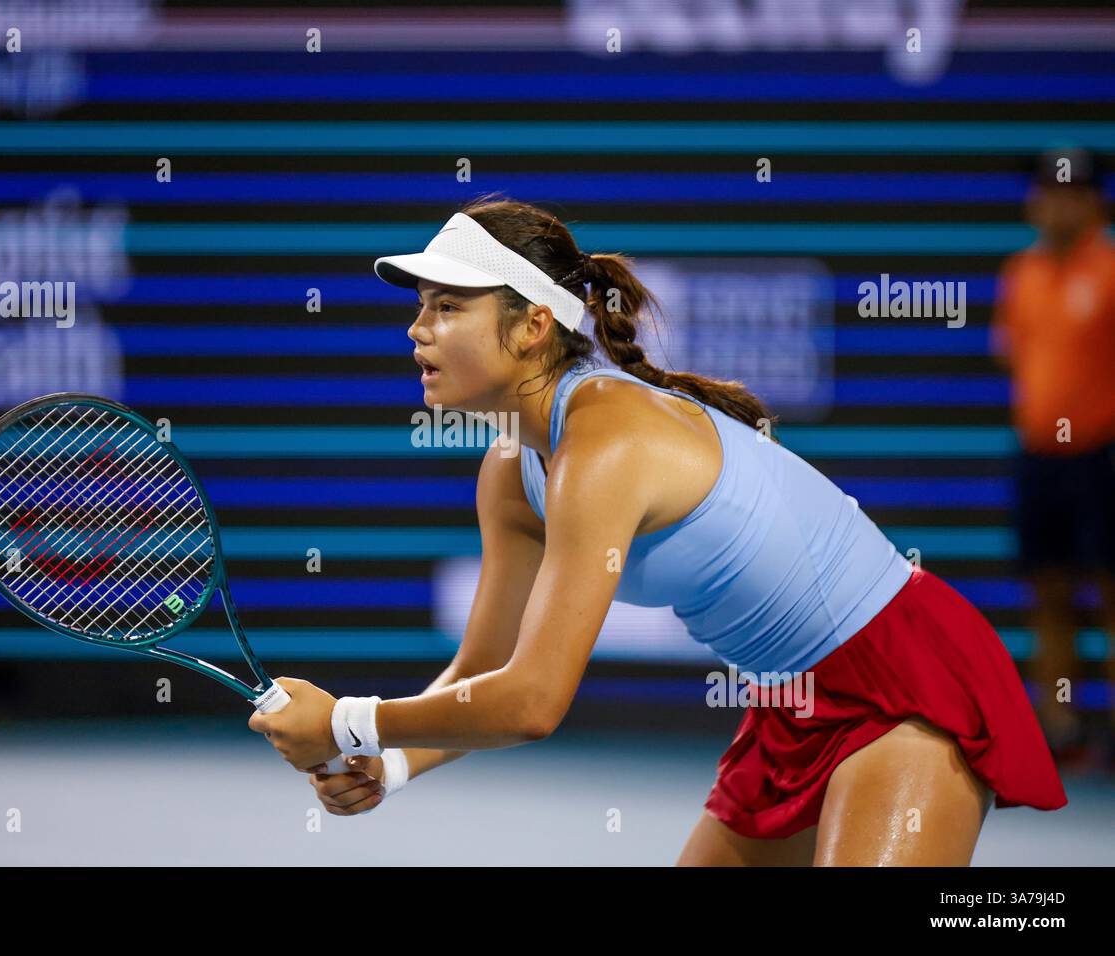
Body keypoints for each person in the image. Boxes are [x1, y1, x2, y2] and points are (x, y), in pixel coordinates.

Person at [250, 195, 1067, 865]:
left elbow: (533, 702)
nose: (416, 330)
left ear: (534, 324)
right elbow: (488, 667)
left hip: (901, 681)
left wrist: (347, 720)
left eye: (448, 306)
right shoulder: (510, 472)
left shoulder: (606, 439)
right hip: (790, 705)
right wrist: (387, 764)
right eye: (421, 307)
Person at [990, 148, 1115, 768]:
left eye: (1065, 193)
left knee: (1110, 590)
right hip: (1041, 458)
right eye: (1042, 191)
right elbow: (1012, 355)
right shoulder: (1022, 273)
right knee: (1048, 590)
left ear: (1094, 203)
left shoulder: (1113, 270)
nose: (1050, 204)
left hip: (1103, 458)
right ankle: (1059, 728)